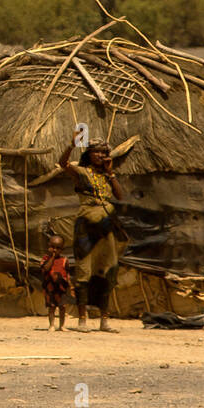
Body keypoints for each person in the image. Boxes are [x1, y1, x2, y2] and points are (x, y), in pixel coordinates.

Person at [58, 139, 129, 333]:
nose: (99, 155)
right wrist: (71, 144)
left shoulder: (107, 176)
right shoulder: (81, 173)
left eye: (102, 152)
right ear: (88, 154)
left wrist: (110, 173)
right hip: (87, 225)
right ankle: (82, 320)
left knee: (107, 270)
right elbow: (63, 163)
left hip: (106, 226)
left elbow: (120, 196)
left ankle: (104, 321)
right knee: (83, 270)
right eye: (95, 152)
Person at [39, 234, 72, 331]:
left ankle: (62, 325)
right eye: (52, 247)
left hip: (61, 288)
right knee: (52, 307)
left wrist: (71, 286)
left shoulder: (64, 260)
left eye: (58, 248)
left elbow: (67, 274)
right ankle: (52, 325)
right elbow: (46, 268)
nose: (54, 250)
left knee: (62, 307)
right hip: (50, 288)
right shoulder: (45, 259)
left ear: (62, 249)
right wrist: (52, 258)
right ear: (48, 246)